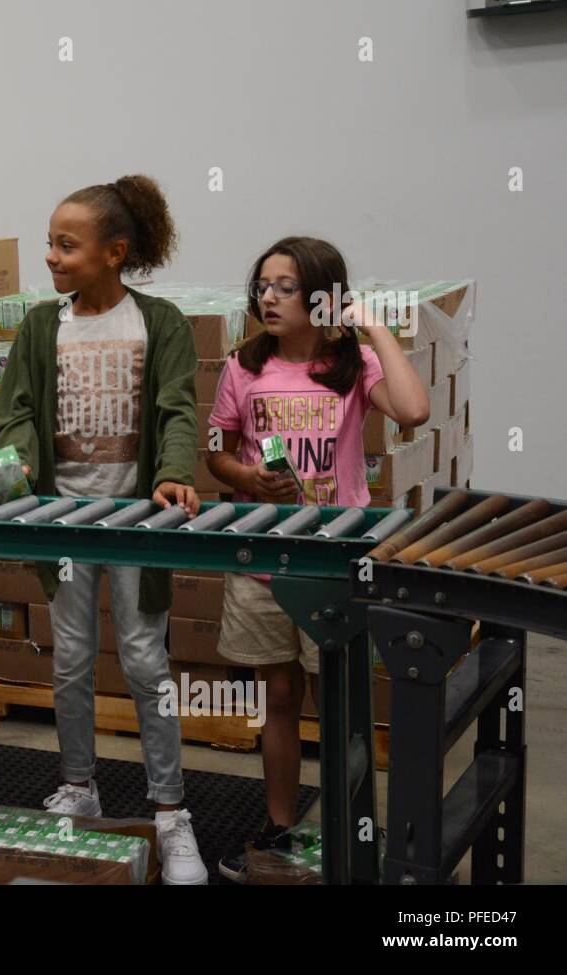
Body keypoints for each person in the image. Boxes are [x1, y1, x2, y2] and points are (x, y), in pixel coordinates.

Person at [0, 174, 208, 884]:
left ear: (115, 252)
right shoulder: (42, 326)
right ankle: (79, 786)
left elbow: (178, 408)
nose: (51, 256)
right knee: (71, 660)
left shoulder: (160, 322)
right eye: (50, 242)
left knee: (146, 664)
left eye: (66, 245)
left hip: (137, 525)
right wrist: (9, 467)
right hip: (65, 525)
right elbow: (12, 413)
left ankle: (171, 811)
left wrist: (174, 470)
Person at [209, 236, 429, 882]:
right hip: (264, 561)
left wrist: (370, 325)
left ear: (323, 296)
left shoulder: (350, 365)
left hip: (333, 563)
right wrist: (248, 476)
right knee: (279, 695)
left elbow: (414, 409)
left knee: (341, 700)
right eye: (263, 285)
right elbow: (217, 454)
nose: (269, 297)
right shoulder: (243, 365)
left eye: (286, 286)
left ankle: (348, 822)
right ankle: (279, 824)